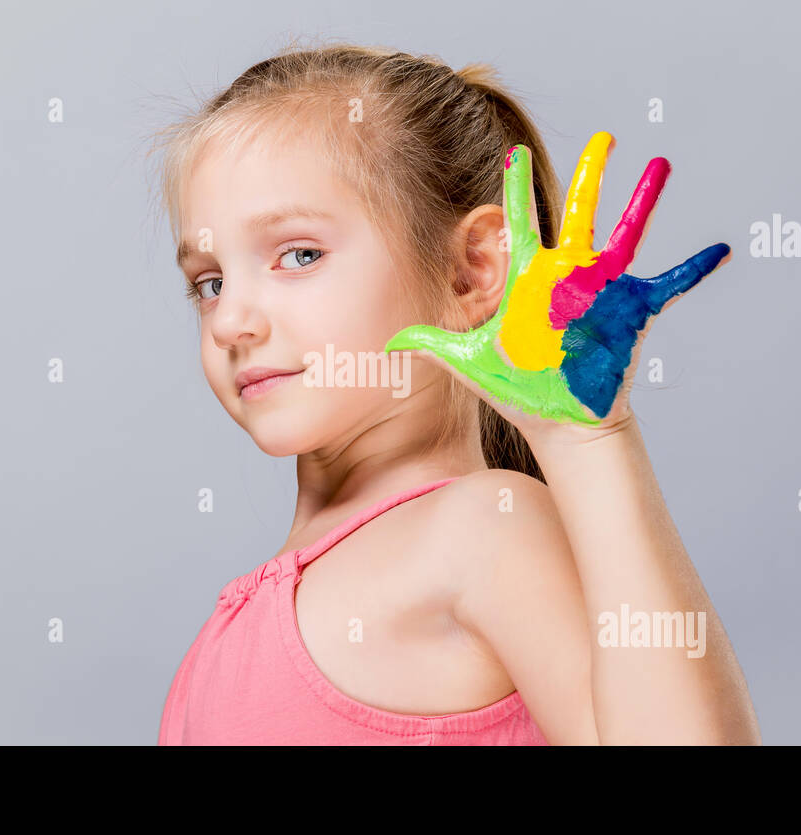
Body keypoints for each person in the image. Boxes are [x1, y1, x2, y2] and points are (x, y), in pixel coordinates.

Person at [150, 42, 760, 745]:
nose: (229, 320)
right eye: (209, 280)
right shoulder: (253, 610)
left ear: (470, 273)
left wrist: (588, 442)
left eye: (299, 255)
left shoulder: (482, 531)